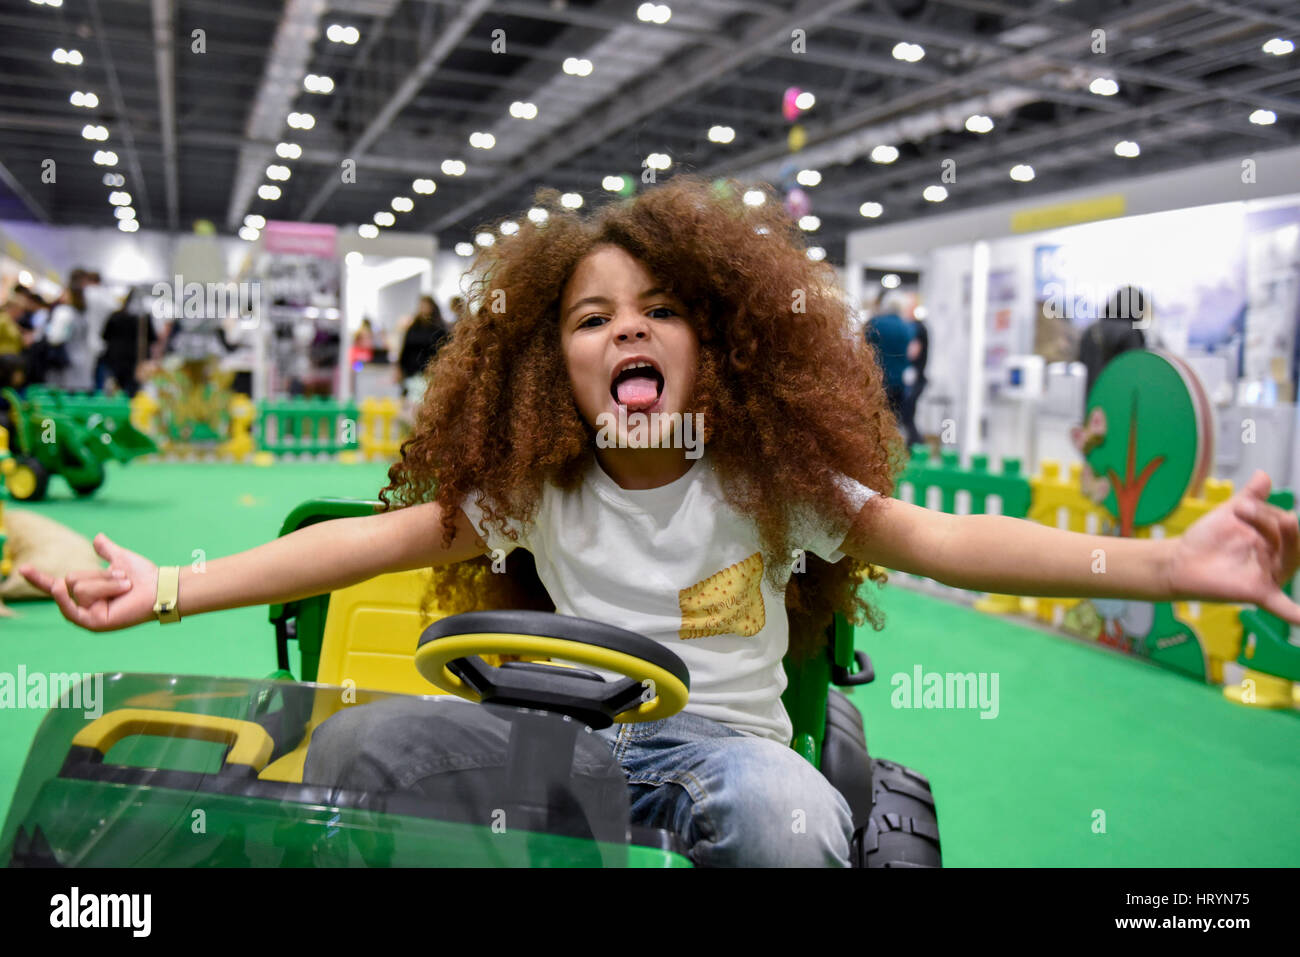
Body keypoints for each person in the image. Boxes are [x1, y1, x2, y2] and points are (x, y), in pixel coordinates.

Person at [21, 177, 1300, 868]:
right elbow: (359, 539)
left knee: (791, 819)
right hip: (534, 738)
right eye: (589, 318)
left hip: (715, 751)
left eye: (658, 310)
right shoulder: (538, 483)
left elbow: (945, 540)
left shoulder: (766, 484)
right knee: (365, 755)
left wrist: (1170, 561)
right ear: (549, 364)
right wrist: (173, 588)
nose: (625, 329)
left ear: (716, 347)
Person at [1078, 285, 1149, 415]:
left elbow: (1081, 362)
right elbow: (1138, 372)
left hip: (1091, 402)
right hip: (1120, 405)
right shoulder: (1131, 333)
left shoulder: (1090, 330)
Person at [43, 270, 94, 392]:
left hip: (64, 363)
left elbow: (55, 338)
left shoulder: (64, 312)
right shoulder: (82, 315)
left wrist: (46, 330)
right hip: (82, 362)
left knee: (61, 397)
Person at [864, 297, 914, 423]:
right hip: (898, 381)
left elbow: (864, 349)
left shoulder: (875, 323)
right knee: (893, 421)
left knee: (873, 420)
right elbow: (911, 354)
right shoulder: (907, 327)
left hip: (876, 379)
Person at [100, 289, 158, 396]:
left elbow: (104, 336)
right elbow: (152, 339)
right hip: (136, 361)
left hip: (115, 360)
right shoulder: (143, 319)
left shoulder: (115, 316)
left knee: (114, 391)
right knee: (133, 393)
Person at [898, 316, 928, 449]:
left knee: (907, 417)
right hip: (917, 379)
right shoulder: (921, 330)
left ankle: (916, 446)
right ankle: (915, 446)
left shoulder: (918, 330)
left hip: (915, 380)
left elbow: (912, 352)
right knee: (908, 417)